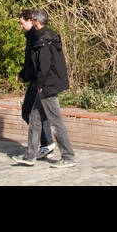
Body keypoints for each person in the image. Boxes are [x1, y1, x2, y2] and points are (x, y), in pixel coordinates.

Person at [12, 9, 76, 168]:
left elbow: (45, 66)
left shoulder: (43, 40)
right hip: (47, 85)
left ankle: (68, 156)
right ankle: (30, 155)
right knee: (34, 117)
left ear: (36, 21)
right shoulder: (49, 36)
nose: (31, 23)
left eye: (33, 21)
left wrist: (40, 85)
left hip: (47, 87)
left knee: (56, 122)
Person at [17, 9, 54, 159]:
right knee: (36, 113)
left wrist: (37, 79)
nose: (21, 26)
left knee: (29, 112)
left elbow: (36, 62)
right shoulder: (31, 36)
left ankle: (46, 144)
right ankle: (46, 144)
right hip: (35, 80)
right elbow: (29, 61)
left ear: (31, 21)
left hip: (38, 81)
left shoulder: (35, 36)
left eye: (22, 23)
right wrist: (22, 73)